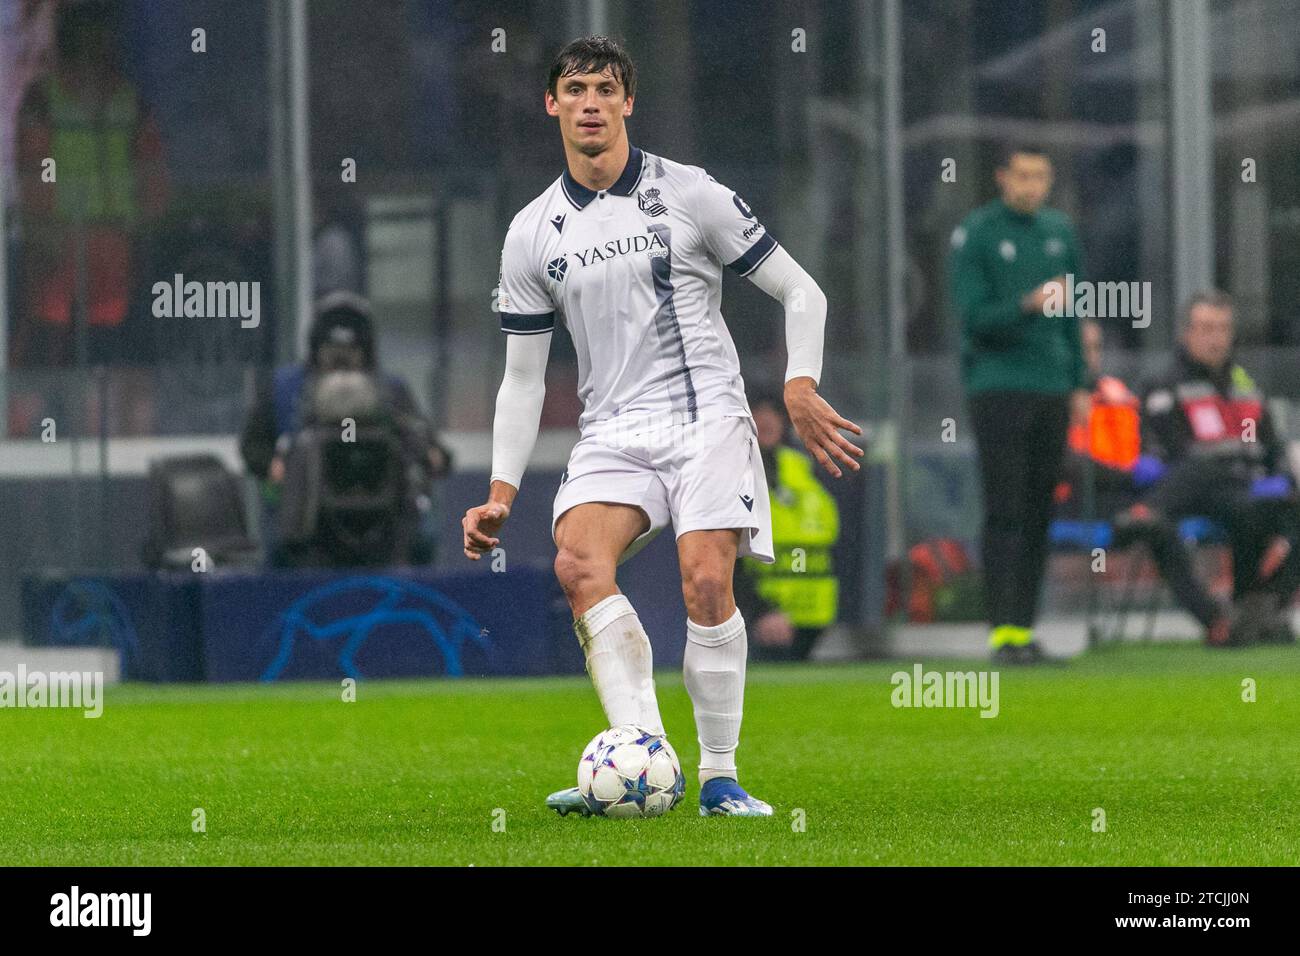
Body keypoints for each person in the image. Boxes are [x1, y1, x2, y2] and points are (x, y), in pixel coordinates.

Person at [461, 36, 863, 817]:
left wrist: (801, 383)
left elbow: (802, 291)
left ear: (627, 104)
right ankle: (644, 760)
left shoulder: (690, 192)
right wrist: (501, 490)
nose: (589, 103)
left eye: (605, 90)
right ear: (552, 104)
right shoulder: (531, 231)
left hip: (706, 412)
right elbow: (521, 376)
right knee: (579, 566)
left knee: (707, 580)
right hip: (613, 429)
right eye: (574, 89)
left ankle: (719, 777)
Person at [948, 144, 1088, 664]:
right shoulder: (978, 233)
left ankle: (1025, 629)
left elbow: (1075, 315)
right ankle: (1002, 632)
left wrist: (1079, 383)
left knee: (1039, 510)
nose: (1033, 186)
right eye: (1024, 175)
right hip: (999, 386)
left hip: (1052, 387)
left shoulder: (1059, 233)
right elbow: (974, 317)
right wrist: (1027, 304)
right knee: (1004, 508)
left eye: (1042, 176)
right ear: (1003, 177)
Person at [1123, 291, 1300, 645]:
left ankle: (1260, 608)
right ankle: (1221, 615)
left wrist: (1280, 476)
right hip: (1190, 489)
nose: (1215, 337)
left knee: (1266, 508)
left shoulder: (1245, 384)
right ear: (1186, 333)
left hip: (1246, 490)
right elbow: (1171, 451)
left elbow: (1273, 446)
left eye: (1222, 328)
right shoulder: (1164, 383)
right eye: (1206, 328)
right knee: (1202, 475)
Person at [241, 292, 452, 564]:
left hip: (386, 527)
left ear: (366, 352)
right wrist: (273, 465)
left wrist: (430, 458)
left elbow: (433, 451)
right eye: (332, 353)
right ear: (316, 349)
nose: (341, 363)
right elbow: (251, 446)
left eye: (351, 354)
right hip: (303, 526)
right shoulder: (284, 388)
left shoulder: (391, 392)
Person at [1058, 320, 1231, 642]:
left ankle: (1236, 614)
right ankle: (1215, 620)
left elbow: (1148, 437)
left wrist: (1149, 461)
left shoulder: (1117, 394)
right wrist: (1128, 475)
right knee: (1158, 524)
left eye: (1095, 348)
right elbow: (1067, 463)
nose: (1089, 357)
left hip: (1130, 497)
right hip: (1078, 503)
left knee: (1183, 491)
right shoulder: (1053, 401)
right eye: (1081, 349)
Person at [732, 390, 841, 662]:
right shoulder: (733, 473)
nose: (767, 421)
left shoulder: (802, 467)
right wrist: (759, 610)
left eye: (774, 414)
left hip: (813, 617)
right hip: (759, 618)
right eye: (758, 413)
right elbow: (727, 556)